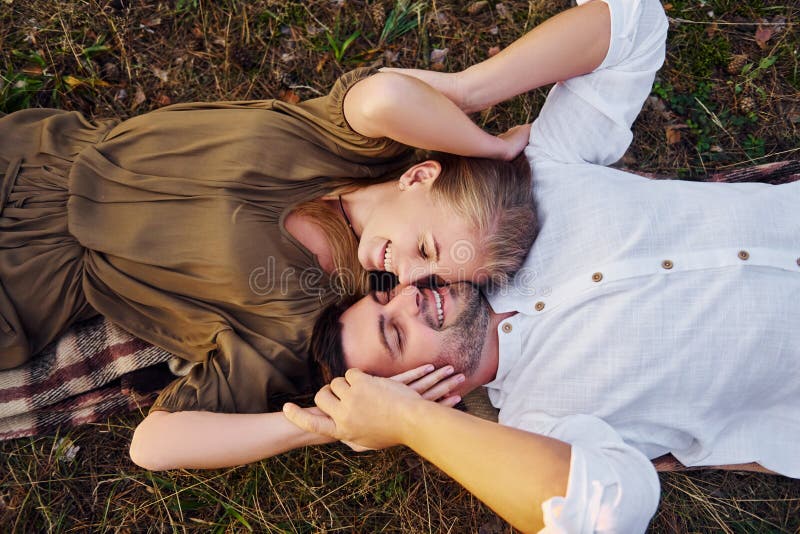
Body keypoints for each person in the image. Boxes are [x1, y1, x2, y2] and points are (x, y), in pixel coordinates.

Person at [282, 0, 800, 531]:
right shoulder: (541, 428)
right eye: (395, 335)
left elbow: (633, 25)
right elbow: (604, 517)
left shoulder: (533, 185)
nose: (411, 292)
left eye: (386, 295)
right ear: (420, 388)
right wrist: (410, 421)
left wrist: (465, 92)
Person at [0, 62, 538, 467]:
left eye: (432, 275)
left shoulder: (294, 326)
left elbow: (154, 445)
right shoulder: (347, 145)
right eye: (426, 248)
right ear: (420, 175)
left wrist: (325, 425)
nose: (410, 281)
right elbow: (384, 96)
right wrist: (484, 138)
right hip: (33, 152)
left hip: (23, 274)